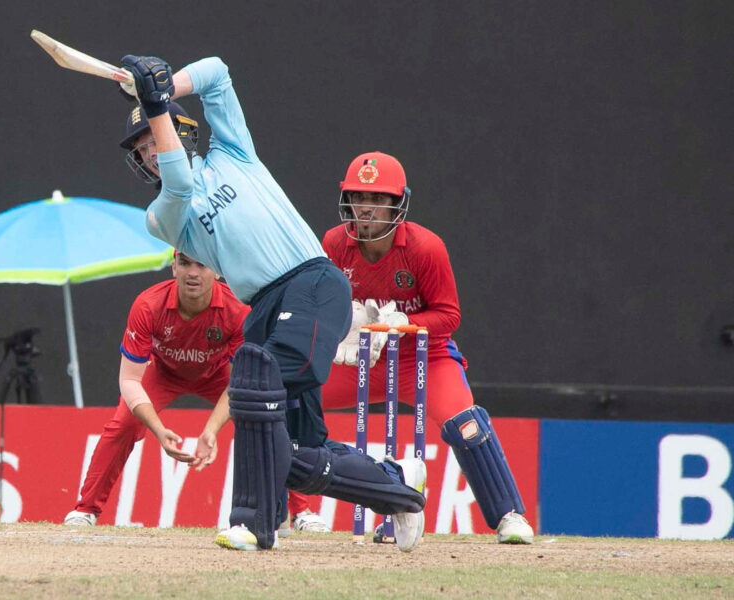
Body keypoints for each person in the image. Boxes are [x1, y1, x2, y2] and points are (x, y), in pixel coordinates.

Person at [116, 54, 426, 551]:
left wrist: (166, 87)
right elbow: (178, 182)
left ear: (185, 131)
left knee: (253, 380)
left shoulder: (232, 154)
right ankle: (399, 487)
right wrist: (155, 105)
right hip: (263, 306)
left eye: (157, 138)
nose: (153, 150)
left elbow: (217, 71)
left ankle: (252, 522)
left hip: (311, 282)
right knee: (301, 455)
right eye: (143, 146)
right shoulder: (161, 217)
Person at [285, 151, 534, 544]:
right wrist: (339, 326)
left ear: (397, 204)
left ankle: (509, 516)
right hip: (360, 360)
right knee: (292, 396)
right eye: (358, 198)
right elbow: (319, 304)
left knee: (465, 424)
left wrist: (405, 324)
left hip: (422, 358)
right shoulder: (334, 243)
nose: (365, 210)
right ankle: (299, 511)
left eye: (377, 200)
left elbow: (449, 316)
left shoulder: (425, 248)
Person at [64, 252, 248, 526]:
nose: (192, 272)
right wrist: (159, 431)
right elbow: (128, 380)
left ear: (218, 271)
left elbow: (239, 384)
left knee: (262, 413)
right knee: (124, 423)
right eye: (185, 263)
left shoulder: (239, 310)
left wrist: (211, 429)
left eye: (202, 264)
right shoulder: (148, 304)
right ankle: (85, 510)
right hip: (162, 373)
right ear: (173, 267)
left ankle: (296, 512)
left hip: (217, 374)